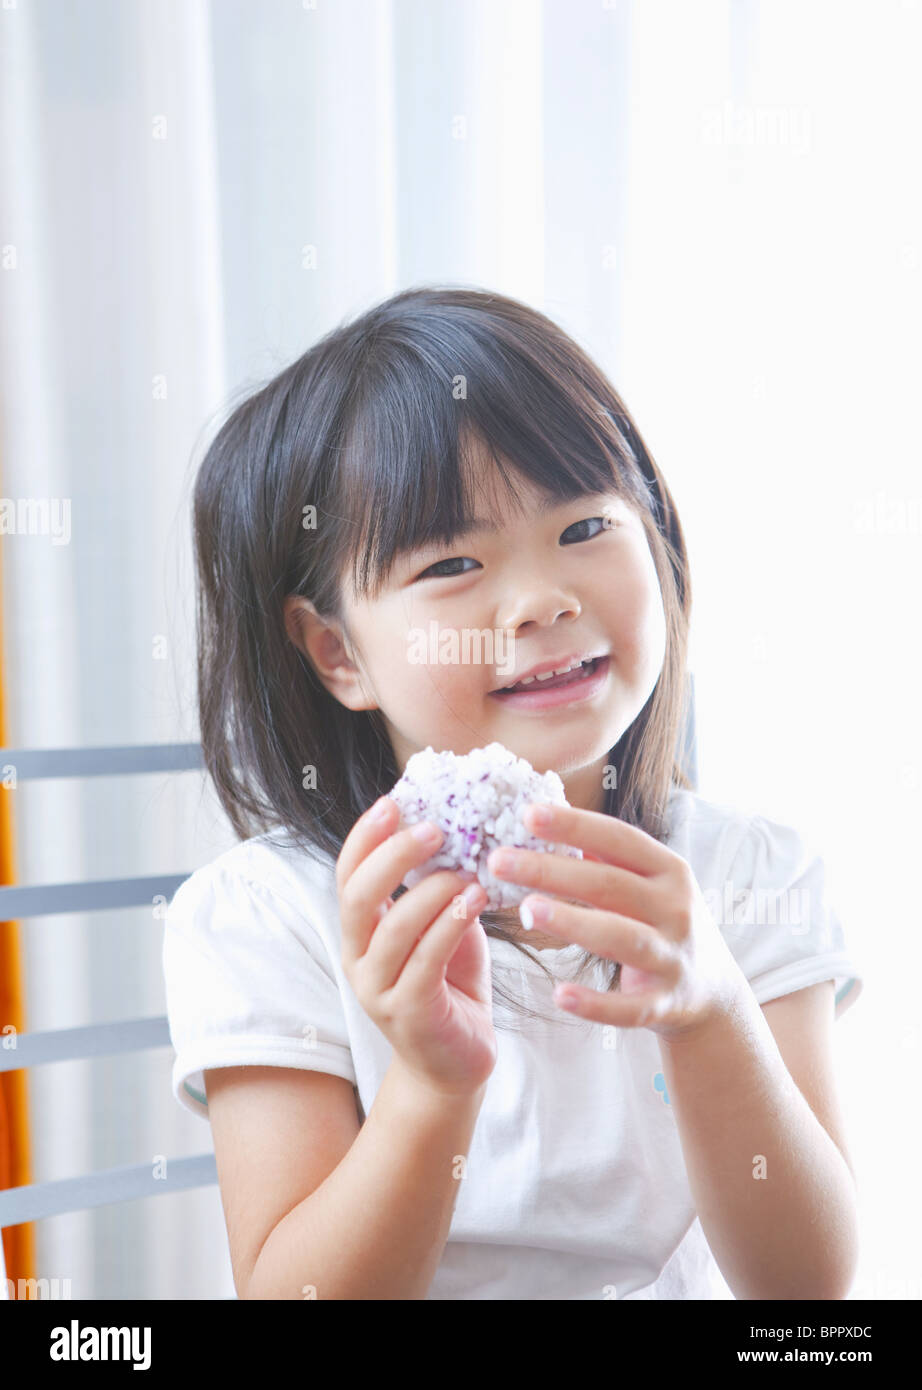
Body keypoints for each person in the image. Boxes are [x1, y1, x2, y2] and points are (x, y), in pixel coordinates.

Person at [162, 285, 864, 1300]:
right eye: (452, 560)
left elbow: (807, 1296)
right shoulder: (266, 918)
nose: (544, 597)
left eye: (584, 526)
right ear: (335, 652)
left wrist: (710, 1008)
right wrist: (432, 1088)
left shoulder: (752, 874)